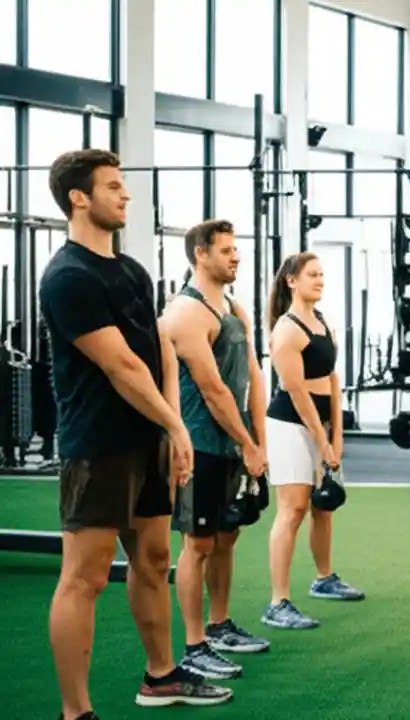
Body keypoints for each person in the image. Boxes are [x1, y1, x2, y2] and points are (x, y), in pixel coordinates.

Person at [39, 149, 232, 718]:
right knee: (85, 577)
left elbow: (159, 353)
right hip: (98, 445)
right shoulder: (68, 277)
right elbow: (120, 365)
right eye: (113, 186)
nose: (125, 195)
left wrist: (172, 427)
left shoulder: (131, 271)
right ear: (79, 198)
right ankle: (75, 711)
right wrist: (174, 423)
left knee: (152, 559)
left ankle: (160, 676)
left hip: (148, 441)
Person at [160, 220, 271, 680]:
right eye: (226, 250)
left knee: (228, 536)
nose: (235, 256)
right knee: (199, 543)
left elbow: (253, 376)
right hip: (199, 445)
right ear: (200, 254)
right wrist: (247, 443)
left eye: (235, 249)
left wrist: (259, 440)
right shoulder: (185, 313)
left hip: (234, 442)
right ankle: (193, 646)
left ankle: (219, 625)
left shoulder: (233, 307)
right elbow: (212, 390)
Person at [261, 252, 363, 631]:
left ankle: (324, 578)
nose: (320, 280)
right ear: (291, 281)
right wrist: (322, 440)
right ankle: (278, 602)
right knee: (293, 509)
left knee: (324, 507)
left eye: (322, 274)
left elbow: (333, 381)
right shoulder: (286, 330)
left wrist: (336, 436)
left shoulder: (323, 322)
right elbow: (297, 391)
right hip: (290, 425)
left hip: (321, 424)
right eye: (312, 275)